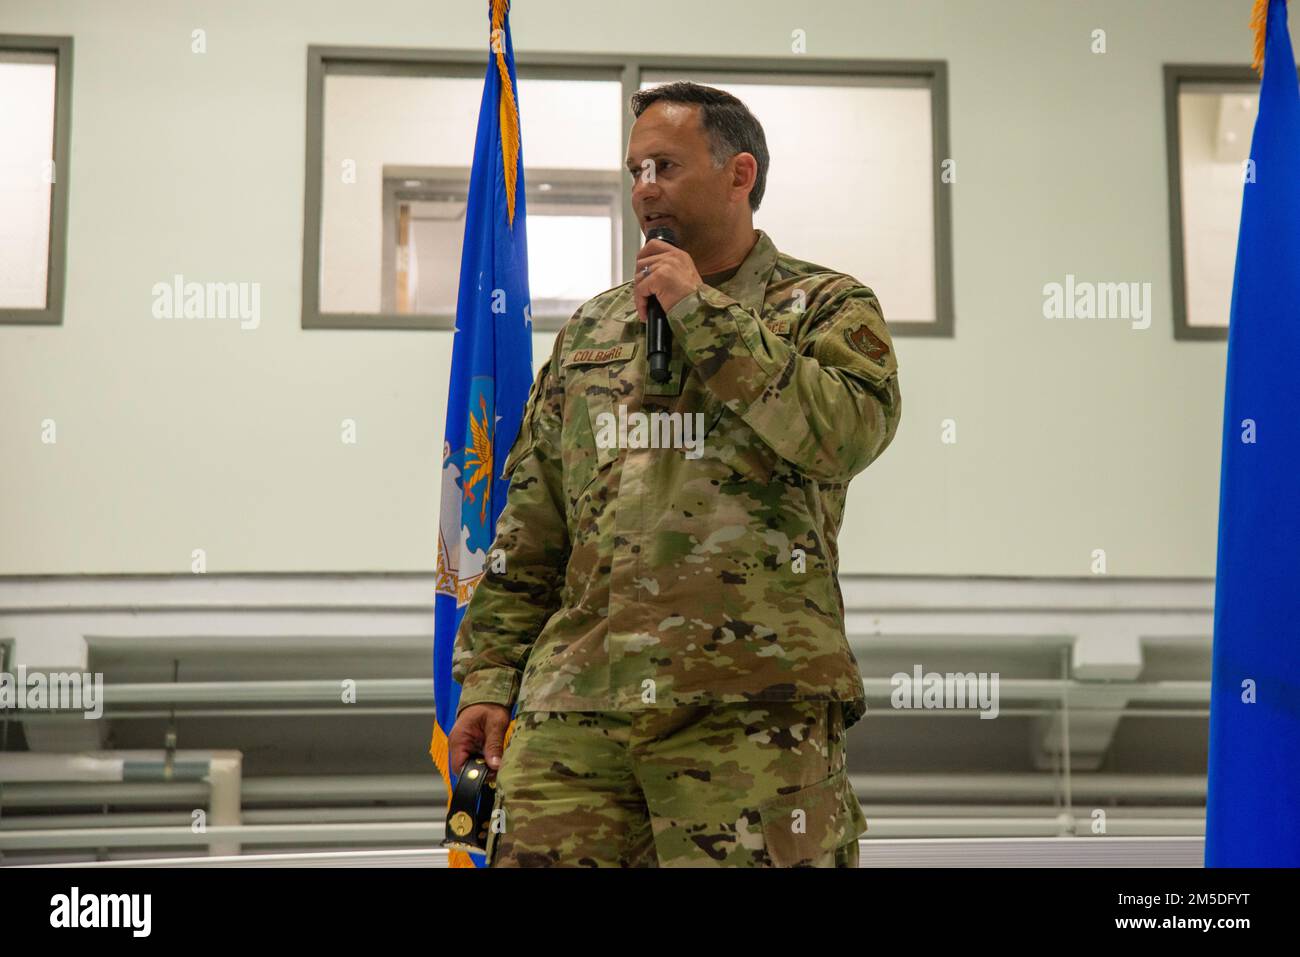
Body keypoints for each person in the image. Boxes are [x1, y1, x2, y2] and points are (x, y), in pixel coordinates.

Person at [446, 80, 902, 867]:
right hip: (576, 721)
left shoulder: (824, 306)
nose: (645, 188)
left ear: (740, 173)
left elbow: (845, 433)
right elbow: (532, 529)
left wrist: (703, 313)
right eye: (635, 170)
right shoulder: (594, 327)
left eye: (666, 165)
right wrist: (488, 677)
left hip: (749, 723)